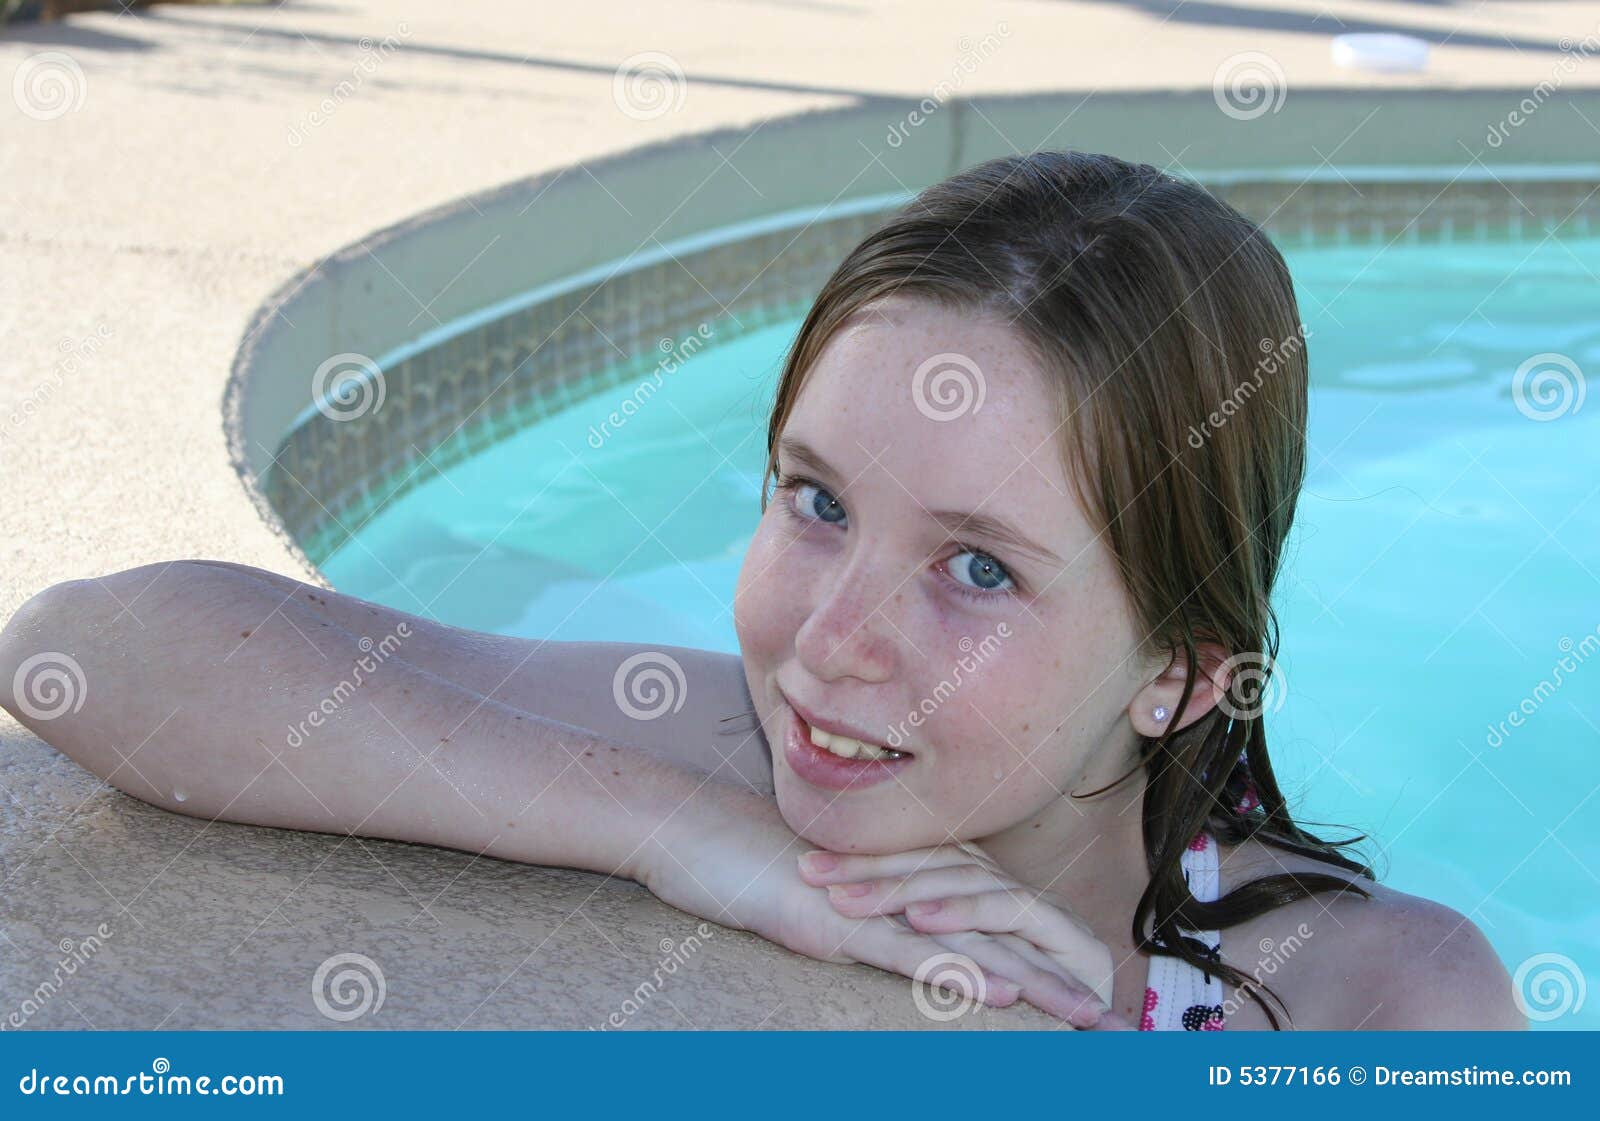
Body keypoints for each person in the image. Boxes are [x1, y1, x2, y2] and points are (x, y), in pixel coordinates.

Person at [0, 150, 1525, 1030]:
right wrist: (693, 839)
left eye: (978, 567)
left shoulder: (1376, 994)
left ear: (1181, 672)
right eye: (817, 500)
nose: (832, 639)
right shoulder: (718, 751)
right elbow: (83, 645)